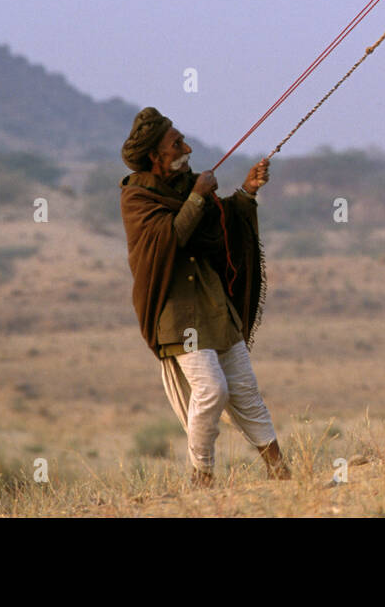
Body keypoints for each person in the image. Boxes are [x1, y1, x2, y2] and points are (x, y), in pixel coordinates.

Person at [119, 106, 290, 485]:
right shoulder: (136, 196)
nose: (188, 148)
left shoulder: (189, 184)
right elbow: (168, 239)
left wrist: (247, 191)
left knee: (246, 392)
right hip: (177, 316)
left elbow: (222, 223)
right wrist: (197, 198)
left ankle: (281, 472)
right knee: (212, 390)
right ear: (155, 155)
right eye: (176, 143)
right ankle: (202, 476)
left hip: (215, 308)